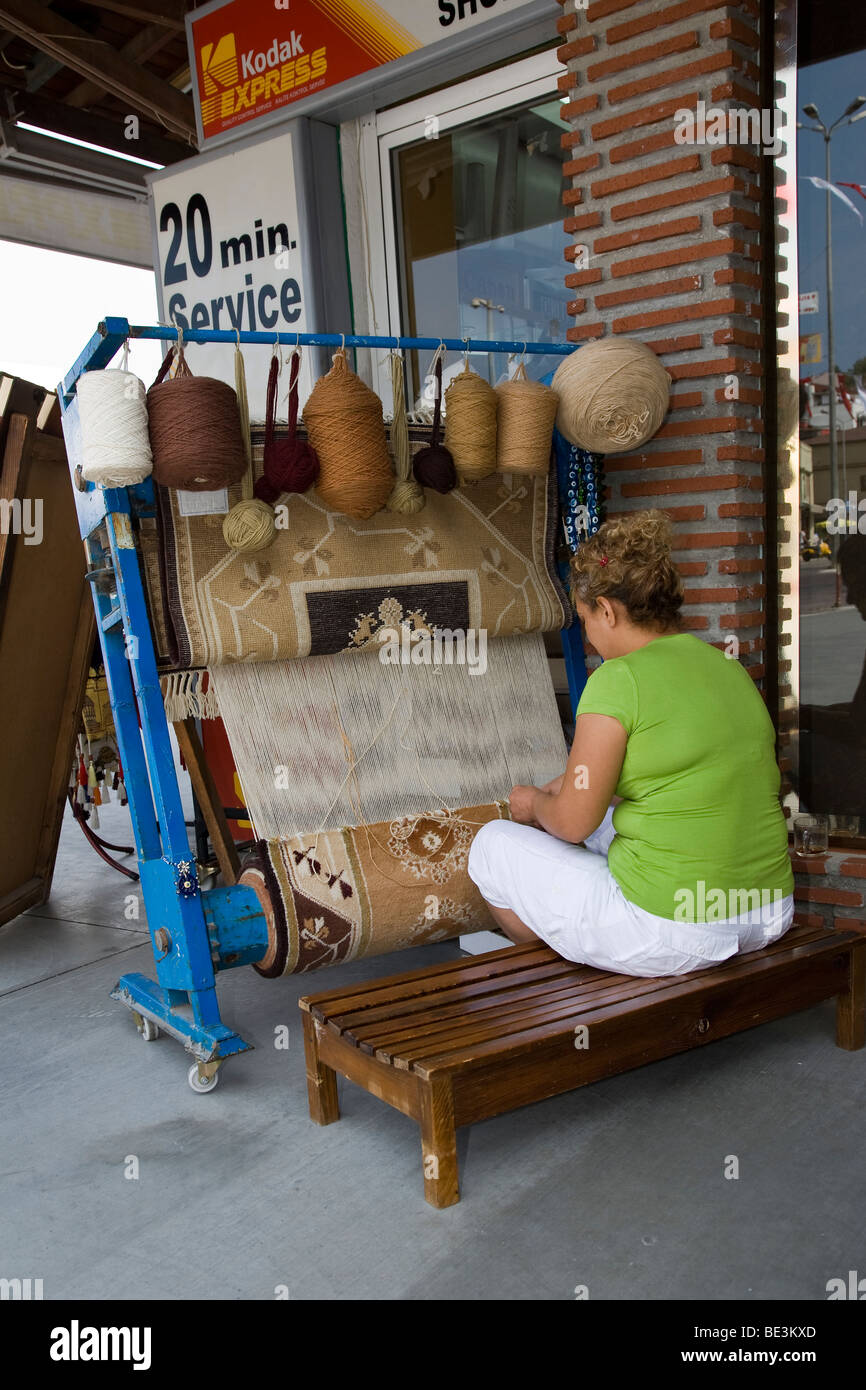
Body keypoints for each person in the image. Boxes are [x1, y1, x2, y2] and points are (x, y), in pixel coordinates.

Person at [467, 510, 795, 976]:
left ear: (606, 609)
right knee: (610, 823)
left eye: (584, 621)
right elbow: (664, 769)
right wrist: (565, 787)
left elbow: (572, 824)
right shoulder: (726, 667)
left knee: (492, 845)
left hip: (673, 932)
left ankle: (569, 979)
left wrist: (536, 803)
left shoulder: (617, 680)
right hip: (768, 911)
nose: (589, 638)